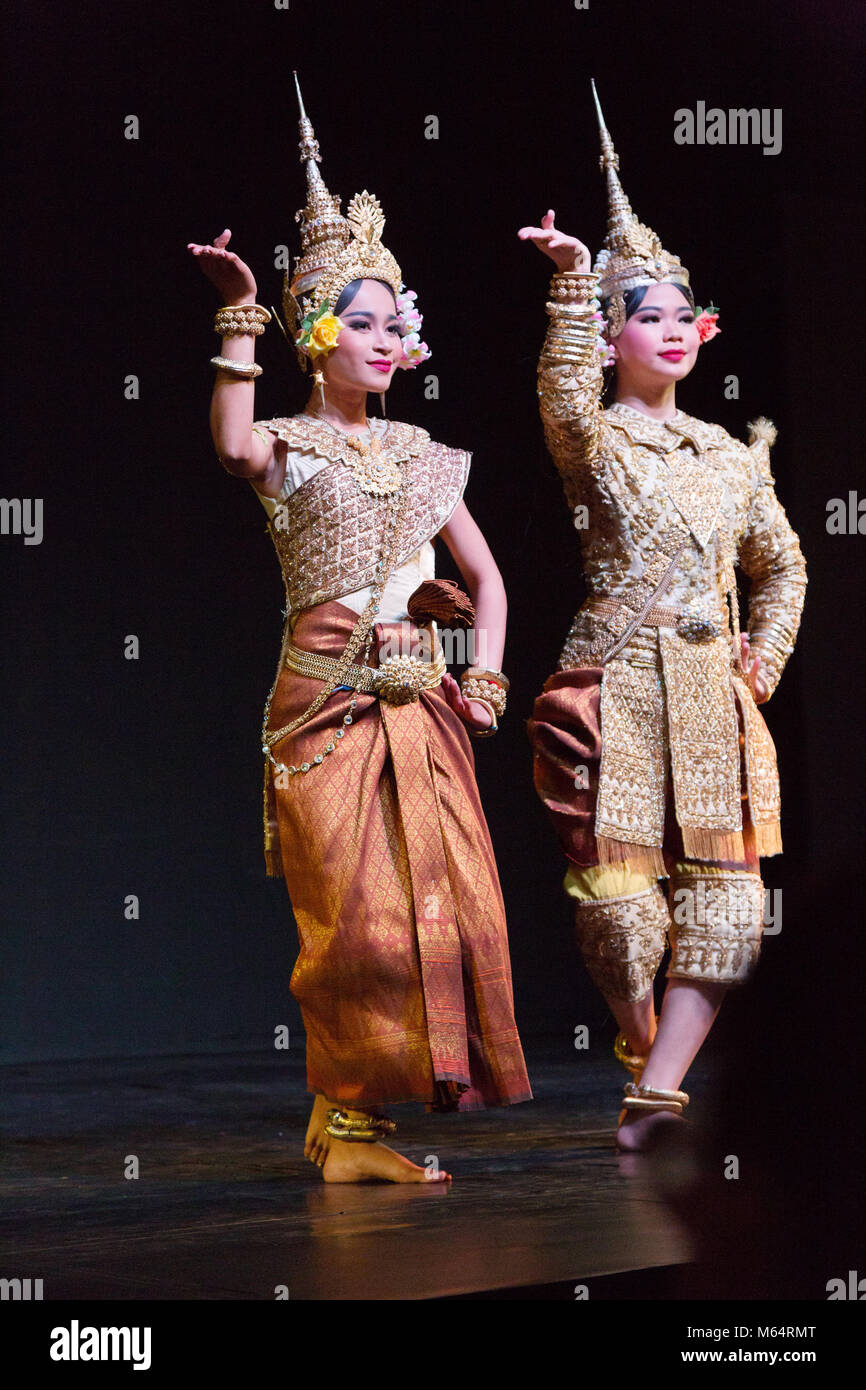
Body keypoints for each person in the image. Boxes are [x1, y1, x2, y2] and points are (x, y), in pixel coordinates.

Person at [188, 76, 531, 1184]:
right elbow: (232, 444)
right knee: (355, 921)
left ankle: (348, 1121)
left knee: (451, 911)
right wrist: (239, 315)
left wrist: (484, 680)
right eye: (363, 323)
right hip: (327, 704)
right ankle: (345, 1129)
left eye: (396, 323)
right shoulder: (286, 443)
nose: (386, 341)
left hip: (422, 705)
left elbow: (486, 578)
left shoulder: (424, 455)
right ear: (315, 333)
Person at [520, 82, 806, 1152]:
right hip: (617, 685)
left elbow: (783, 564)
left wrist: (759, 661)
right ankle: (641, 1044)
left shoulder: (729, 457)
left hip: (714, 697)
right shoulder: (595, 441)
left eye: (684, 314)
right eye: (648, 315)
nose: (673, 330)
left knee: (728, 911)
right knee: (621, 914)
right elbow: (560, 404)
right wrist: (566, 288)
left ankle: (656, 1097)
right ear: (611, 338)